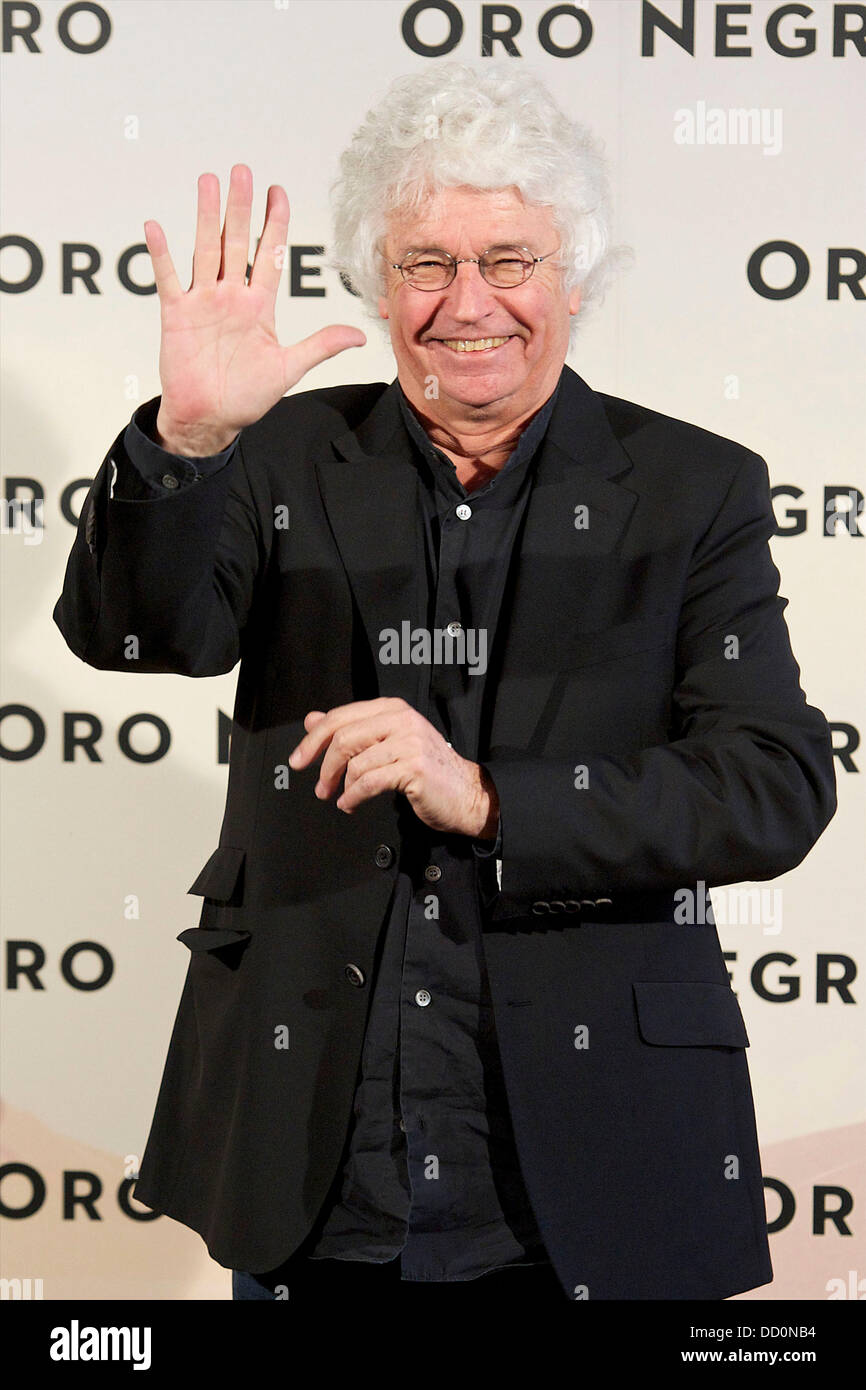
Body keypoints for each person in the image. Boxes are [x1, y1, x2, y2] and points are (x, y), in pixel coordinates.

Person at [53, 63, 836, 1305]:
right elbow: (141, 642)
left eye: (508, 260)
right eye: (425, 264)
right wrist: (188, 444)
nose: (467, 303)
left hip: (584, 1177)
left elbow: (771, 785)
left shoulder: (694, 489)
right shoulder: (278, 453)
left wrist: (486, 795)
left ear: (574, 278)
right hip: (320, 1159)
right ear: (375, 284)